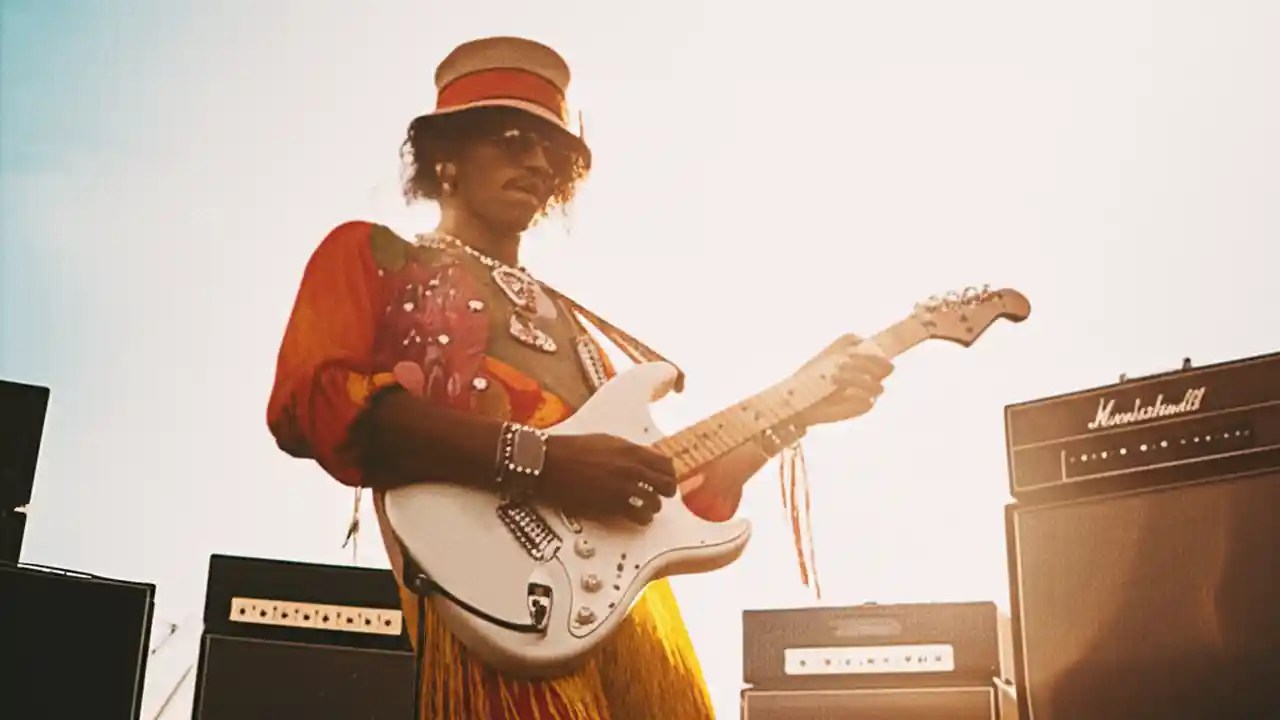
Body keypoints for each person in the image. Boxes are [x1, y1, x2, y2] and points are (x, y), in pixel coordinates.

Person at [267, 36, 893, 720]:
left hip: (631, 613)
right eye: (511, 138)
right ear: (446, 154)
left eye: (552, 153)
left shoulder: (577, 327)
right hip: (501, 605)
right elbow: (315, 406)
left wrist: (795, 410)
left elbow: (671, 494)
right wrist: (540, 459)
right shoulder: (372, 255)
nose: (536, 162)